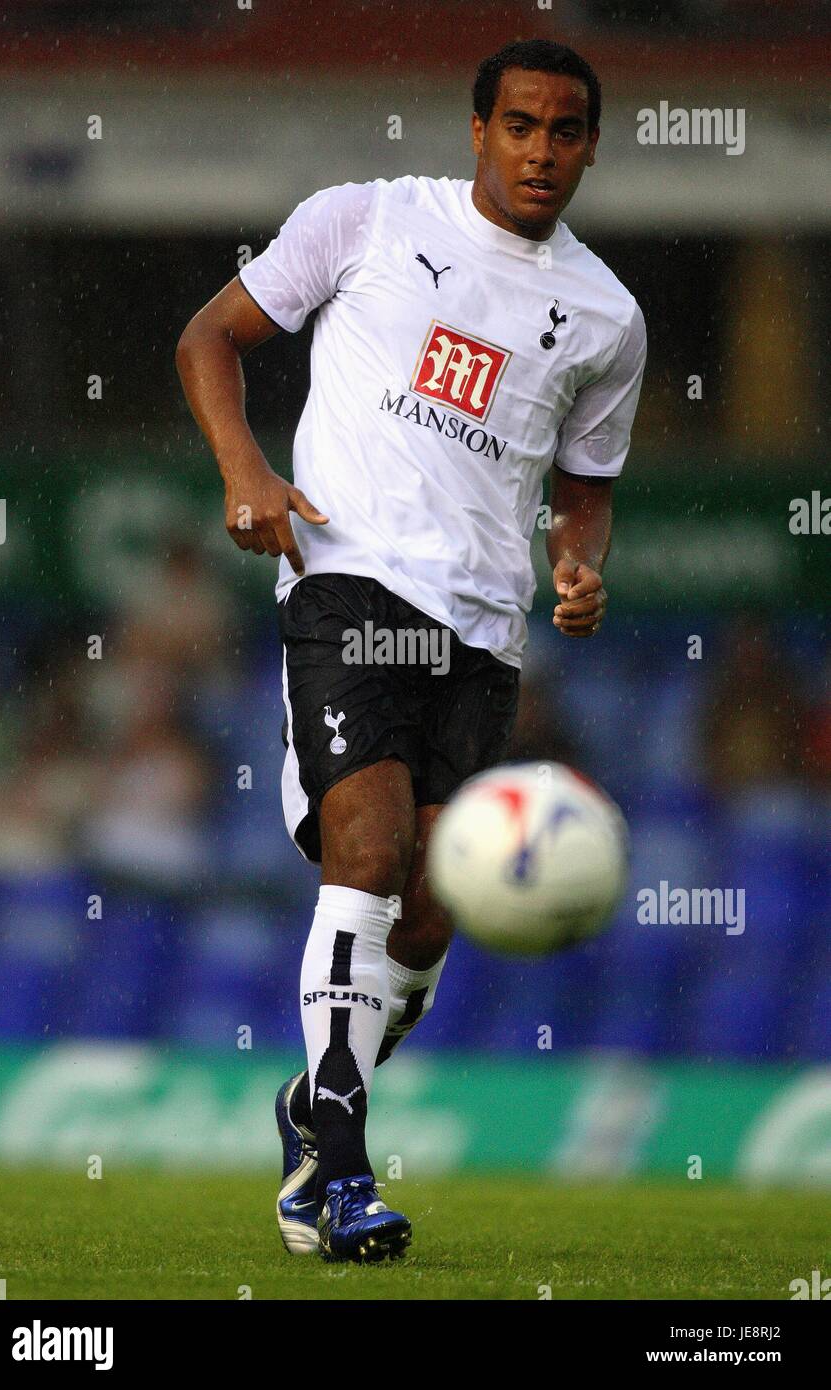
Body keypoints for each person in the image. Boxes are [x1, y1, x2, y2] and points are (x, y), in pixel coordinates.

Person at [176, 38, 646, 1263]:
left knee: (430, 915)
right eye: (520, 125)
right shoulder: (364, 221)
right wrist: (248, 476)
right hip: (348, 586)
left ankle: (308, 1102)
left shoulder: (606, 318)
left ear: (590, 146)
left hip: (485, 630)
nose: (541, 151)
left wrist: (576, 562)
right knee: (370, 855)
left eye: (565, 131)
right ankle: (336, 1169)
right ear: (475, 130)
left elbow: (585, 486)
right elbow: (206, 341)